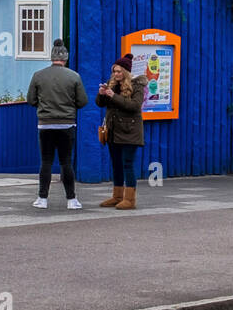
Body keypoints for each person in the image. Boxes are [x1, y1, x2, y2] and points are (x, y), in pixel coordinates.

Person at [25, 39, 88, 210]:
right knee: (66, 162)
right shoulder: (74, 76)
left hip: (45, 125)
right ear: (65, 58)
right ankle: (71, 200)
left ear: (51, 57)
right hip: (66, 125)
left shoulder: (38, 75)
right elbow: (83, 101)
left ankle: (42, 199)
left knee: (45, 162)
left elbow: (30, 99)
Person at [97, 53, 145, 210]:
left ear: (125, 72)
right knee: (116, 164)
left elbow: (134, 106)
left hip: (130, 131)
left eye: (119, 71)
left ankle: (130, 199)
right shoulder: (113, 85)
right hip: (113, 131)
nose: (116, 74)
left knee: (127, 164)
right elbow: (100, 104)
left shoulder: (137, 86)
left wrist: (113, 96)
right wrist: (102, 94)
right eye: (114, 71)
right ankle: (117, 196)